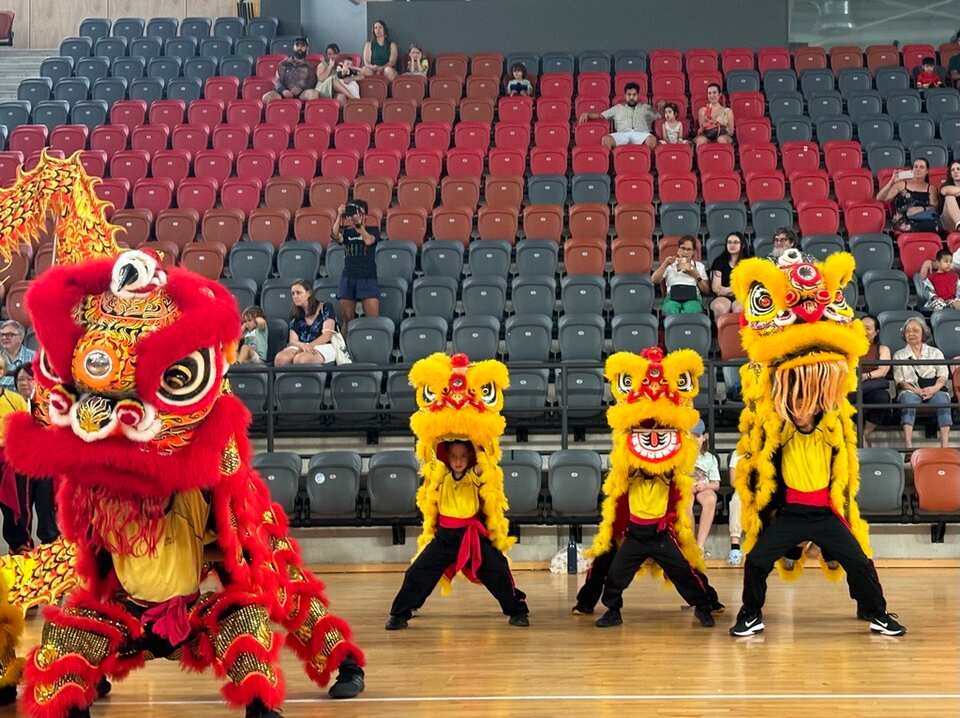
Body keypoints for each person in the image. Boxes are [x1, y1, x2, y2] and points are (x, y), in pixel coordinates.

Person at [386, 438, 530, 629]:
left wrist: (476, 436)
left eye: (463, 456)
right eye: (453, 456)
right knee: (417, 572)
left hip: (471, 537)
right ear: (447, 457)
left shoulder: (473, 475)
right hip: (445, 538)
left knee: (498, 569)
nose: (458, 461)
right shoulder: (442, 475)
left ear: (470, 456)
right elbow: (431, 446)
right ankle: (399, 614)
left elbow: (484, 458)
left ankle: (517, 611)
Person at [2, 364, 58, 551]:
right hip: (18, 466)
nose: (24, 383)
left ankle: (50, 545)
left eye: (28, 378)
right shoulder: (14, 402)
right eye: (20, 380)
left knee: (46, 506)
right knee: (21, 508)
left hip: (44, 464)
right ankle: (21, 547)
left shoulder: (48, 402)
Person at [893, 317, 952, 449]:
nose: (911, 334)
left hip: (934, 389)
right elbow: (900, 381)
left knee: (943, 400)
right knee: (908, 399)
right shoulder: (899, 355)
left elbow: (943, 376)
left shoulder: (935, 352)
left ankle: (945, 446)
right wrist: (917, 391)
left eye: (915, 330)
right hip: (911, 390)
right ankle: (908, 447)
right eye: (908, 331)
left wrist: (934, 389)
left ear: (923, 333)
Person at [332, 199, 379, 330]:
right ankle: (345, 349)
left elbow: (369, 241)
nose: (355, 216)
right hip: (348, 277)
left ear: (365, 214)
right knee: (347, 321)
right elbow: (335, 236)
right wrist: (339, 216)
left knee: (373, 321)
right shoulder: (347, 231)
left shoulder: (373, 230)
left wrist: (359, 225)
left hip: (367, 277)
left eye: (359, 212)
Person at [0, 354, 30, 554]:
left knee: (16, 508)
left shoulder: (15, 400)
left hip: (11, 463)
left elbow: (27, 432)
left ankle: (18, 546)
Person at [274, 280, 339, 368]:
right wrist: (303, 346)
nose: (295, 296)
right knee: (280, 359)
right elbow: (293, 341)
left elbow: (327, 335)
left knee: (301, 360)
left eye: (298, 293)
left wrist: (309, 346)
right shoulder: (295, 314)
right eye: (293, 293)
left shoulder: (326, 307)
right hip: (302, 345)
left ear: (308, 293)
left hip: (323, 345)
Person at [578, 82, 659, 150]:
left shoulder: (646, 107)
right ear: (625, 95)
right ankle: (612, 164)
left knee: (652, 140)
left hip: (641, 133)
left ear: (638, 95)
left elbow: (660, 115)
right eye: (629, 94)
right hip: (622, 134)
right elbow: (601, 115)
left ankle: (645, 162)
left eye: (634, 95)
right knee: (606, 140)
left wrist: (663, 105)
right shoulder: (617, 108)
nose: (631, 97)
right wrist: (588, 114)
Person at [857, 315, 893, 447]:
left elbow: (883, 371)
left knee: (882, 398)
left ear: (876, 332)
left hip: (873, 386)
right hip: (854, 386)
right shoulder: (850, 348)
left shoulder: (883, 349)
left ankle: (864, 434)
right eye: (861, 328)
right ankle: (858, 434)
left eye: (868, 328)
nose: (864, 332)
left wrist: (866, 376)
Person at [876, 158, 940, 233]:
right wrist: (891, 182)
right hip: (903, 220)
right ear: (912, 170)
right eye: (915, 167)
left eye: (921, 167)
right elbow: (880, 198)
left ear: (927, 171)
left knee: (934, 225)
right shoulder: (902, 184)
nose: (918, 169)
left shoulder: (931, 188)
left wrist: (921, 209)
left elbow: (934, 208)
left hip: (924, 219)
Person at [652, 235, 709, 315]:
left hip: (692, 297)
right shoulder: (670, 264)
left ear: (693, 252)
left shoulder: (699, 266)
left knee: (691, 309)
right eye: (683, 248)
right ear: (678, 250)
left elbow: (706, 290)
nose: (685, 252)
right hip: (672, 297)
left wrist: (696, 276)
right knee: (671, 309)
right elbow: (654, 280)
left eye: (689, 249)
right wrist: (664, 265)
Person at [690, 421, 720, 554]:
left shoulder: (710, 458)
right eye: (690, 436)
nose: (693, 440)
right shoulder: (680, 457)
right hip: (686, 487)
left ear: (703, 438)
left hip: (704, 486)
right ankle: (689, 544)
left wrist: (705, 485)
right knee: (684, 501)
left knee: (710, 499)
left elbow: (716, 484)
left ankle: (700, 545)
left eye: (696, 436)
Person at [262, 36, 320, 104]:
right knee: (266, 97)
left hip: (301, 94)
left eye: (303, 46)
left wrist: (301, 89)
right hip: (283, 93)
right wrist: (283, 91)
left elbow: (312, 82)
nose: (300, 48)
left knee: (314, 94)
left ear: (307, 48)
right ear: (293, 47)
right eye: (297, 45)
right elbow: (277, 81)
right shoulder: (283, 64)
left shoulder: (310, 67)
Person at [709, 232, 750, 317]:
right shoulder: (719, 261)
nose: (732, 245)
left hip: (742, 297)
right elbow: (717, 289)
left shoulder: (749, 263)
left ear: (743, 245)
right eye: (729, 242)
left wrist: (727, 290)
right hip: (721, 297)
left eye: (736, 242)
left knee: (740, 308)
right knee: (720, 307)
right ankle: (721, 330)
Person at [0, 320, 34, 390]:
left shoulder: (34, 358)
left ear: (21, 337)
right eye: (2, 334)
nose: (4, 338)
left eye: (10, 334)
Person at [727, 450, 743, 566]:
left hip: (761, 489)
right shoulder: (737, 453)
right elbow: (733, 482)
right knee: (737, 500)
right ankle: (735, 547)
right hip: (743, 488)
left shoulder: (764, 451)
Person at [938, 161, 960, 231]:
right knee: (949, 197)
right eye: (953, 170)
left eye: (958, 169)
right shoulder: (946, 185)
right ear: (950, 174)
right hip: (947, 221)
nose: (955, 171)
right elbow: (946, 191)